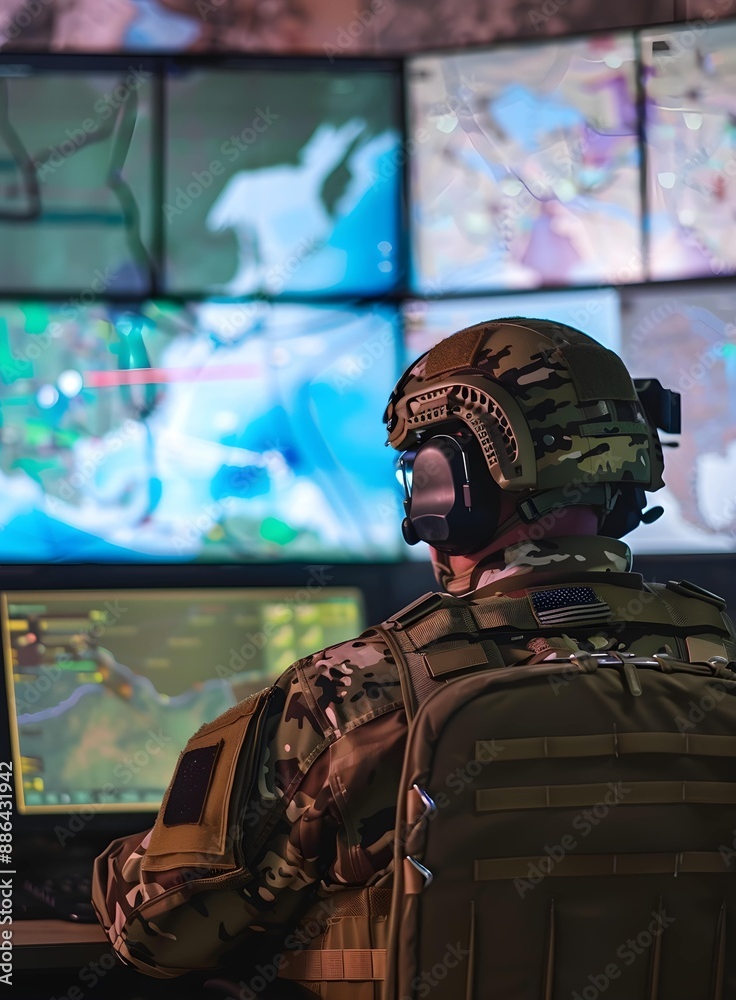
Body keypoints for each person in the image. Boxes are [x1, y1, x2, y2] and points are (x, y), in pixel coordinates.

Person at [93, 317, 732, 998]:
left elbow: (162, 930)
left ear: (445, 489)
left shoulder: (353, 695)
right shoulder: (717, 657)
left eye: (417, 472)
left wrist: (107, 869)